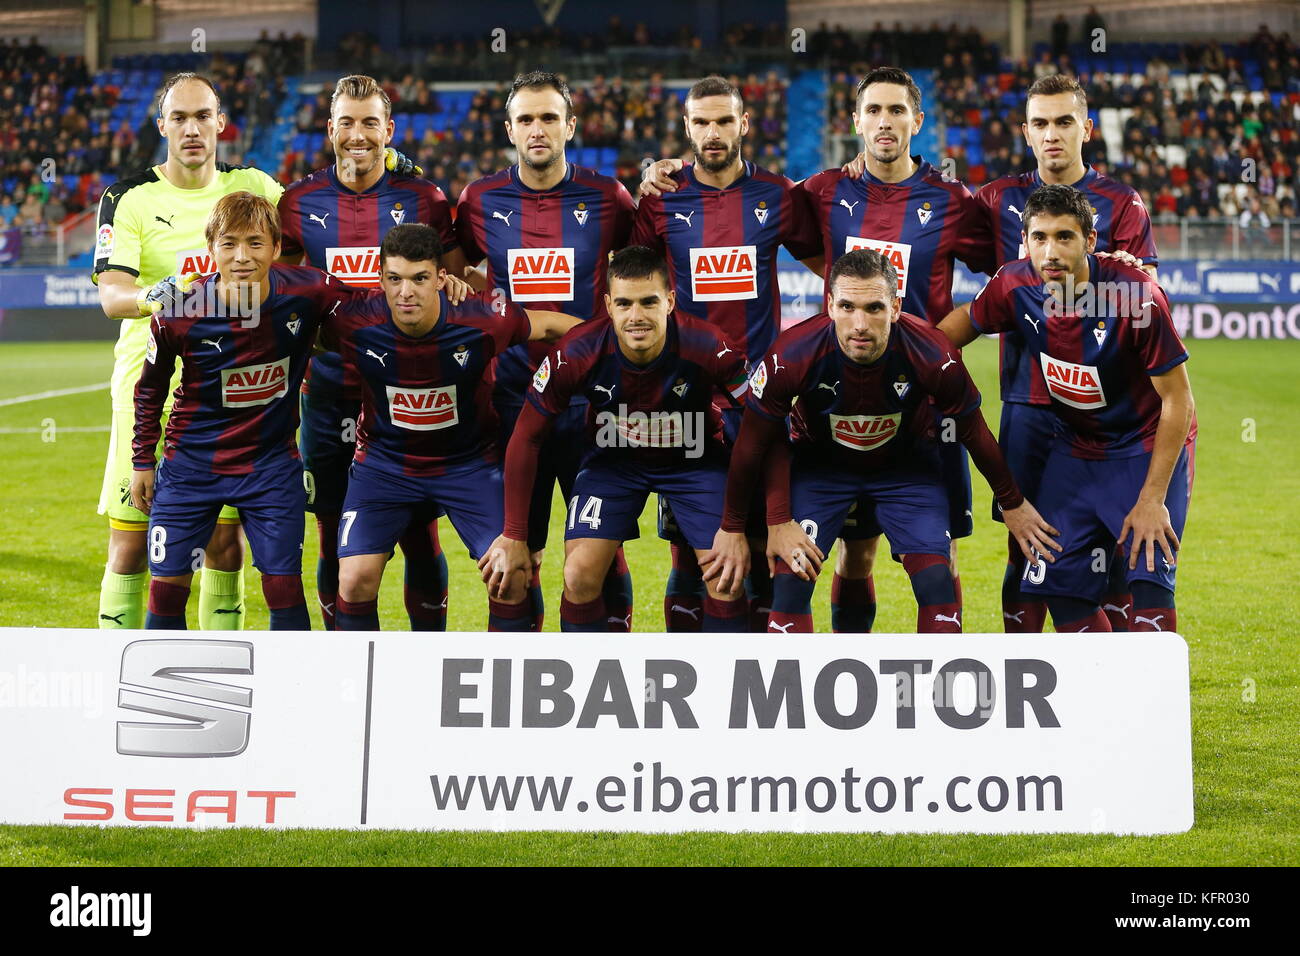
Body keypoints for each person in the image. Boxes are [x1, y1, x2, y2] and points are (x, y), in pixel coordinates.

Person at [708, 249, 1057, 633]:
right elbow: (755, 443)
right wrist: (756, 522)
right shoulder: (791, 354)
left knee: (937, 581)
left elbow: (974, 431)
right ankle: (795, 688)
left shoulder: (932, 353)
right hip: (820, 469)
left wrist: (1013, 503)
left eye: (874, 308)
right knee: (792, 575)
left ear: (894, 307)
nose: (860, 323)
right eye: (847, 307)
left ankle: (937, 691)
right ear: (829, 306)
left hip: (906, 471)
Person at [938, 185, 1194, 632]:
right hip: (1075, 449)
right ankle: (1104, 687)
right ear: (1025, 242)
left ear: (1091, 241)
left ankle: (1148, 697)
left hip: (1141, 447)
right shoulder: (1013, 283)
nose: (1050, 251)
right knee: (1056, 581)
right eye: (1039, 238)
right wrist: (909, 357)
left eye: (1064, 237)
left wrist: (1153, 499)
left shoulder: (1136, 297)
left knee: (1149, 575)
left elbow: (1178, 400)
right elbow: (960, 324)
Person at [966, 73, 1160, 632]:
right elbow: (930, 227)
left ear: (1087, 129)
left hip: (1111, 412)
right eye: (1041, 124)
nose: (1053, 134)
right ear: (1026, 132)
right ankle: (1021, 675)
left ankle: (1119, 678)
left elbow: (1143, 297)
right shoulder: (996, 200)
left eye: (1064, 122)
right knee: (1026, 539)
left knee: (1116, 544)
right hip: (1029, 403)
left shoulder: (1122, 203)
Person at [799, 66, 991, 632]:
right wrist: (671, 173)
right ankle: (849, 668)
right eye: (875, 111)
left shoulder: (953, 200)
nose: (886, 122)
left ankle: (941, 678)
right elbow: (747, 205)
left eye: (897, 111)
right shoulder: (824, 190)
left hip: (931, 408)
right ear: (856, 121)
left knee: (939, 551)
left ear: (917, 120)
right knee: (854, 552)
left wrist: (942, 340)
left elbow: (1009, 276)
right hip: (845, 399)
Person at [94, 73, 283, 631]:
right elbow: (112, 297)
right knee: (131, 545)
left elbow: (310, 234)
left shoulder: (255, 187)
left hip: (232, 396)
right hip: (145, 389)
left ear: (221, 123)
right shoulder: (127, 197)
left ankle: (221, 674)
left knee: (225, 544)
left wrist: (386, 162)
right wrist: (167, 293)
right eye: (179, 118)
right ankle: (118, 677)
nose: (192, 128)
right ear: (162, 127)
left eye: (203, 116)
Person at [278, 74, 466, 632]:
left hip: (408, 392)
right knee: (331, 527)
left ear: (389, 129)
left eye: (369, 123)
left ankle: (427, 654)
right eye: (346, 122)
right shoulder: (298, 202)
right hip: (328, 388)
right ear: (329, 128)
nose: (357, 134)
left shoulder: (424, 199)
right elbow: (284, 293)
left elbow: (456, 287)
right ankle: (348, 662)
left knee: (417, 528)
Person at [324, 223, 581, 630]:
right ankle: (360, 690)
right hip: (384, 467)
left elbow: (550, 325)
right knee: (354, 580)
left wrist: (612, 344)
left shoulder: (482, 318)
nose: (406, 291)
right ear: (380, 280)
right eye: (395, 279)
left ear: (442, 279)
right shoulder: (355, 320)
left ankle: (509, 686)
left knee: (510, 572)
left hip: (470, 466)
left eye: (419, 278)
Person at [633, 74, 820, 632]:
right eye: (700, 122)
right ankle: (692, 667)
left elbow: (832, 270)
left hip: (759, 398)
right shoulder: (661, 201)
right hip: (683, 400)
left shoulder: (778, 196)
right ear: (686, 128)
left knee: (764, 538)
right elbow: (628, 289)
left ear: (743, 124)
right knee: (690, 549)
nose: (712, 133)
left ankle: (762, 671)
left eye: (723, 121)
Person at [482, 247, 752, 632]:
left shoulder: (709, 345)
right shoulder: (575, 352)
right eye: (624, 303)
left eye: (648, 302)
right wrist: (513, 533)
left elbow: (759, 423)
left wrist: (739, 523)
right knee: (578, 574)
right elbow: (526, 437)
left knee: (726, 575)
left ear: (670, 301)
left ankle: (725, 686)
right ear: (608, 305)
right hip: (614, 465)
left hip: (695, 462)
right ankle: (587, 679)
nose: (636, 316)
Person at [456, 71, 637, 632]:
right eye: (527, 119)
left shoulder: (609, 198)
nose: (538, 129)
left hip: (592, 404)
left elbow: (640, 273)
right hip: (513, 402)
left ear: (571, 126)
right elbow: (452, 269)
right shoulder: (480, 199)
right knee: (513, 562)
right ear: (509, 129)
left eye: (550, 118)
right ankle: (518, 683)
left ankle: (608, 666)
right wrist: (488, 310)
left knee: (601, 557)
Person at [130, 192, 352, 629]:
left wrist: (447, 286)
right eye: (228, 243)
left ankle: (292, 692)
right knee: (167, 588)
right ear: (211, 248)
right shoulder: (178, 311)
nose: (242, 256)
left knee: (285, 586)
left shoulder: (310, 291)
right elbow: (150, 389)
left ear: (274, 246)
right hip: (191, 465)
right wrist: (141, 460)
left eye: (255, 243)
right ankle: (163, 694)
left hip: (270, 466)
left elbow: (374, 312)